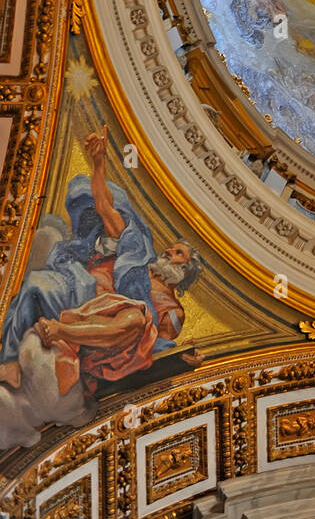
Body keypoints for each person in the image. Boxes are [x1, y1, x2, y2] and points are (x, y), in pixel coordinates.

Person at [0, 128, 202, 439]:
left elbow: (157, 350)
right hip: (79, 295)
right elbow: (105, 207)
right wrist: (98, 165)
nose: (167, 251)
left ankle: (62, 333)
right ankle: (10, 360)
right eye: (172, 247)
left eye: (177, 253)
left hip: (108, 331)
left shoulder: (173, 310)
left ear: (185, 270)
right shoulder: (138, 253)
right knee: (36, 283)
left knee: (137, 318)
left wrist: (181, 362)